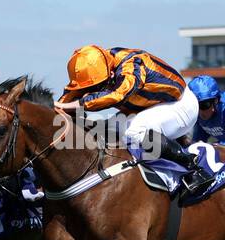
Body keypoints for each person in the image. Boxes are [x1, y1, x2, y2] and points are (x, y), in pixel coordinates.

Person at [59, 44, 198, 174]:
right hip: (149, 108)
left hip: (181, 105)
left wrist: (76, 105)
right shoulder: (97, 70)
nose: (91, 92)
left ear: (111, 73)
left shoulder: (132, 65)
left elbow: (118, 95)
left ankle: (192, 166)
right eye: (88, 89)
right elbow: (67, 99)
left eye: (97, 88)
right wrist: (57, 107)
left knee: (134, 132)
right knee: (101, 128)